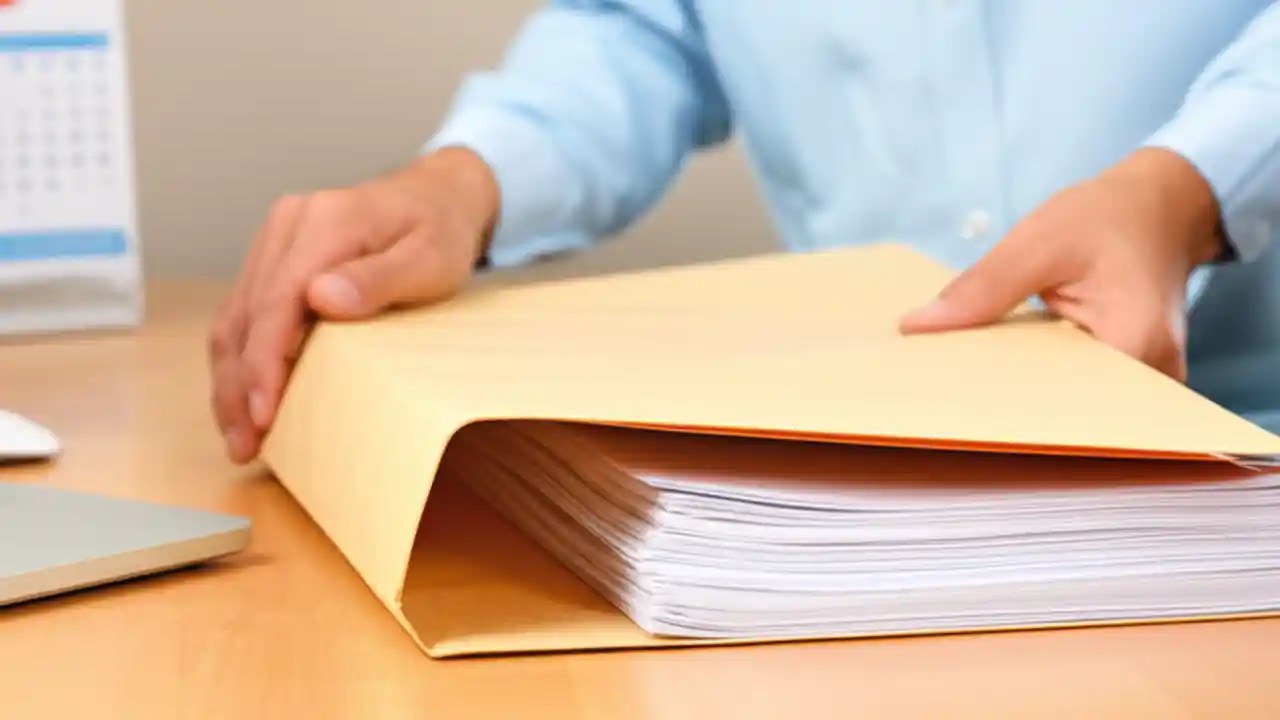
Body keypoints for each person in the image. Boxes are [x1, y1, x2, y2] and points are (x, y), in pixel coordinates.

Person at [209, 2, 1280, 464]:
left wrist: (1185, 190)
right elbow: (648, 23)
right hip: (854, 461)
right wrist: (465, 181)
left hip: (1239, 436)